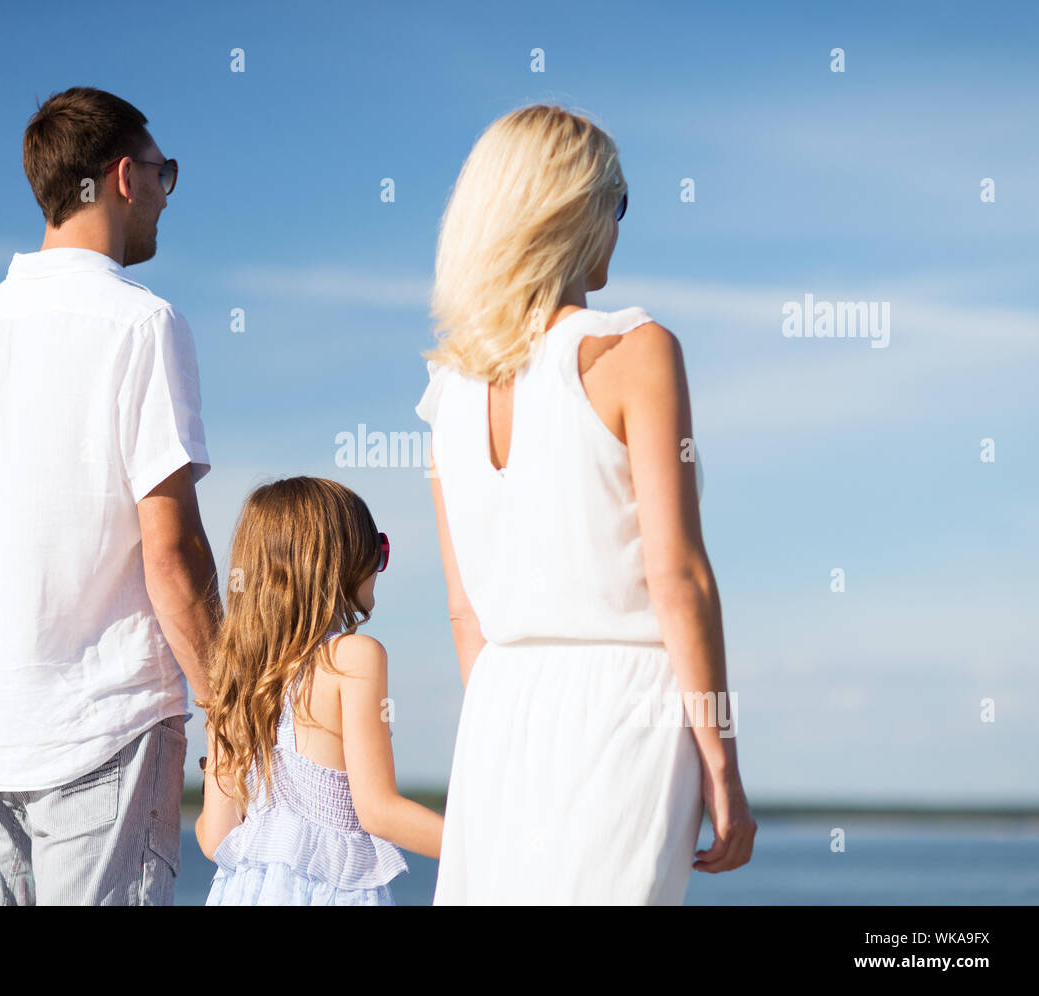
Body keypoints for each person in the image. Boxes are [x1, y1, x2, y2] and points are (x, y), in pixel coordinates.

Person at [415, 104, 756, 905]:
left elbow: (467, 615)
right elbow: (679, 576)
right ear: (570, 209)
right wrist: (722, 766)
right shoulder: (636, 351)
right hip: (625, 709)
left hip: (498, 711)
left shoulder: (447, 395)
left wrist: (511, 734)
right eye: (617, 200)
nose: (618, 223)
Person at [0, 86, 220, 905]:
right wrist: (232, 704)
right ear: (125, 177)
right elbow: (172, 550)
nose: (166, 193)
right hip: (107, 734)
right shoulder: (141, 324)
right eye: (164, 173)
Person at [195, 477, 443, 905]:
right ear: (341, 562)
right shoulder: (353, 658)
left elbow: (215, 837)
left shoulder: (232, 677)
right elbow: (379, 811)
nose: (380, 565)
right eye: (377, 549)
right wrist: (483, 849)